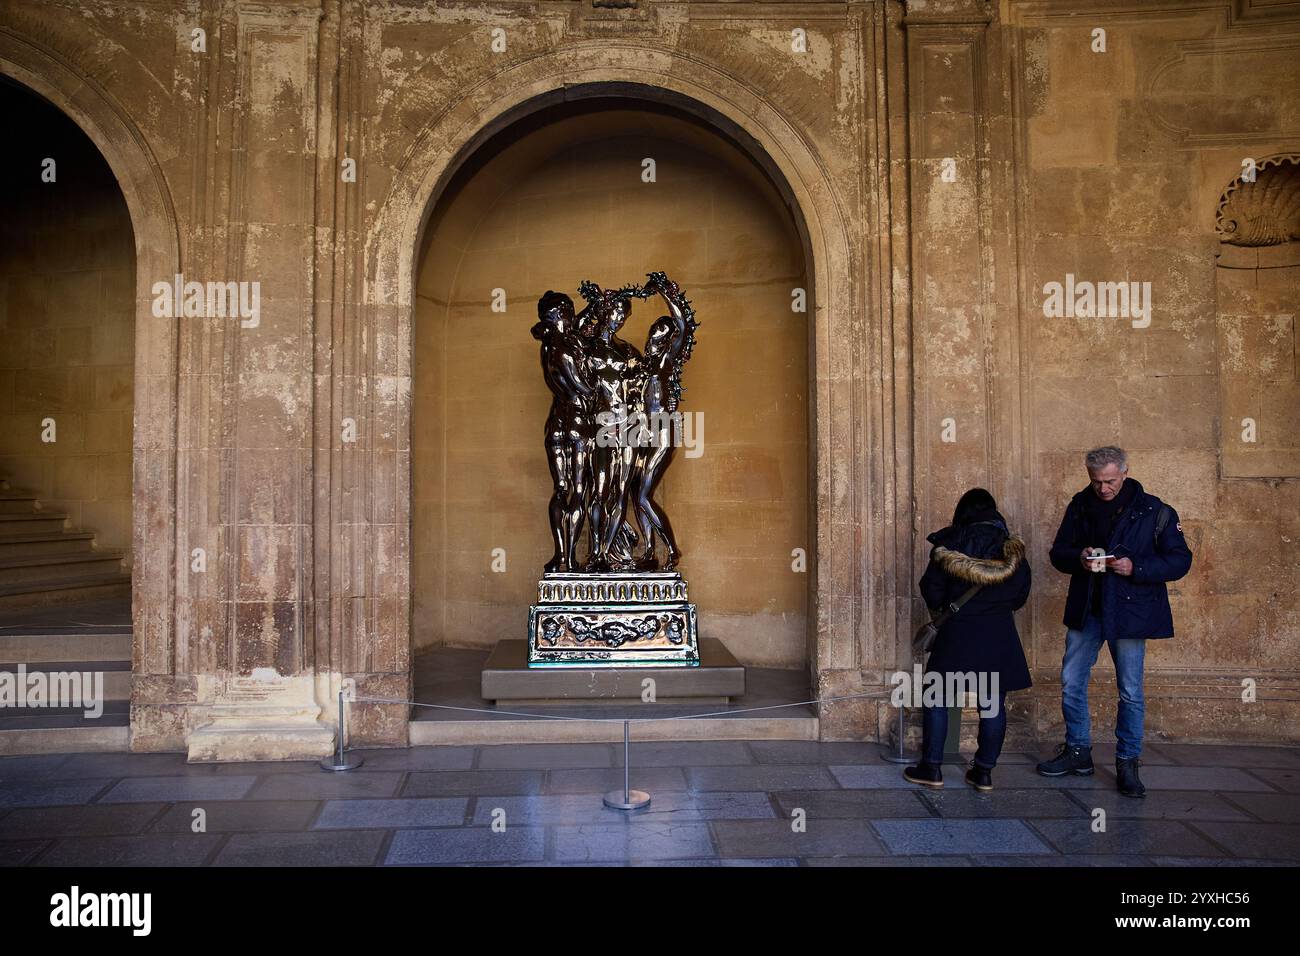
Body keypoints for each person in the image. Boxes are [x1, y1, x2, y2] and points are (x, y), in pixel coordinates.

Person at [1036, 446, 1192, 798]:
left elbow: (1180, 560)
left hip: (1130, 611)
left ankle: (1127, 762)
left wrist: (1136, 568)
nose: (1103, 489)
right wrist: (1079, 557)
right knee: (1071, 680)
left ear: (1124, 472)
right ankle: (1078, 752)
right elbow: (1058, 553)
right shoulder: (1080, 504)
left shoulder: (1155, 510)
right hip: (1088, 607)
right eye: (1096, 482)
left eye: (1109, 481)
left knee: (1131, 691)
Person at [904, 488, 1031, 792]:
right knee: (992, 705)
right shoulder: (1011, 552)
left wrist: (948, 608)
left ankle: (931, 769)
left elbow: (931, 589)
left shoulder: (949, 545)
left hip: (957, 634)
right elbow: (1020, 595)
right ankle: (983, 773)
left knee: (937, 699)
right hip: (998, 635)